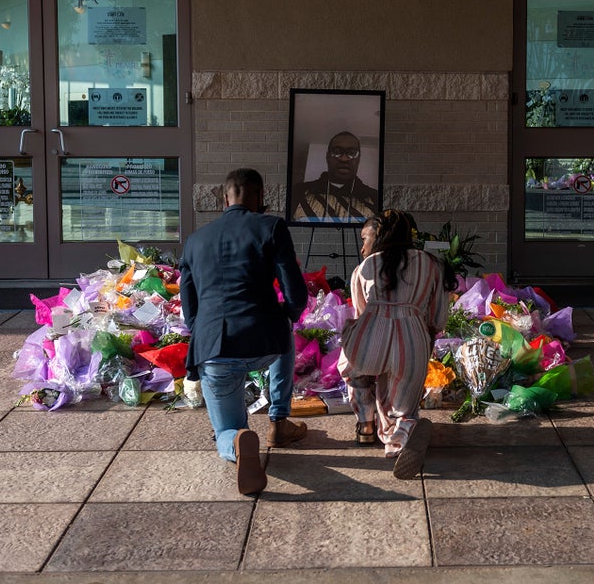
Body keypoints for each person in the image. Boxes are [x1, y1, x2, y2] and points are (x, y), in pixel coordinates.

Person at [180, 167, 309, 495]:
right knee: (285, 328)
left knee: (226, 428)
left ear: (224, 199)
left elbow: (189, 309)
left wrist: (204, 335)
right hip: (264, 339)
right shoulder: (272, 226)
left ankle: (237, 442)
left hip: (215, 348)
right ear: (261, 197)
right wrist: (287, 316)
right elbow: (295, 293)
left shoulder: (195, 241)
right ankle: (279, 421)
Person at [338, 209, 454, 479]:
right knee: (402, 397)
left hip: (369, 339)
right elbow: (438, 318)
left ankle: (366, 425)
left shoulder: (365, 267)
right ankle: (400, 435)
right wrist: (426, 335)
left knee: (352, 367)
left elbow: (360, 312)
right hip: (412, 336)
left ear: (380, 235)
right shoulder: (431, 264)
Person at [294, 131, 378, 222]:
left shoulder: (374, 197)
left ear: (359, 159)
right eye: (337, 151)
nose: (344, 158)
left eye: (352, 153)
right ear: (327, 157)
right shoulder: (298, 192)